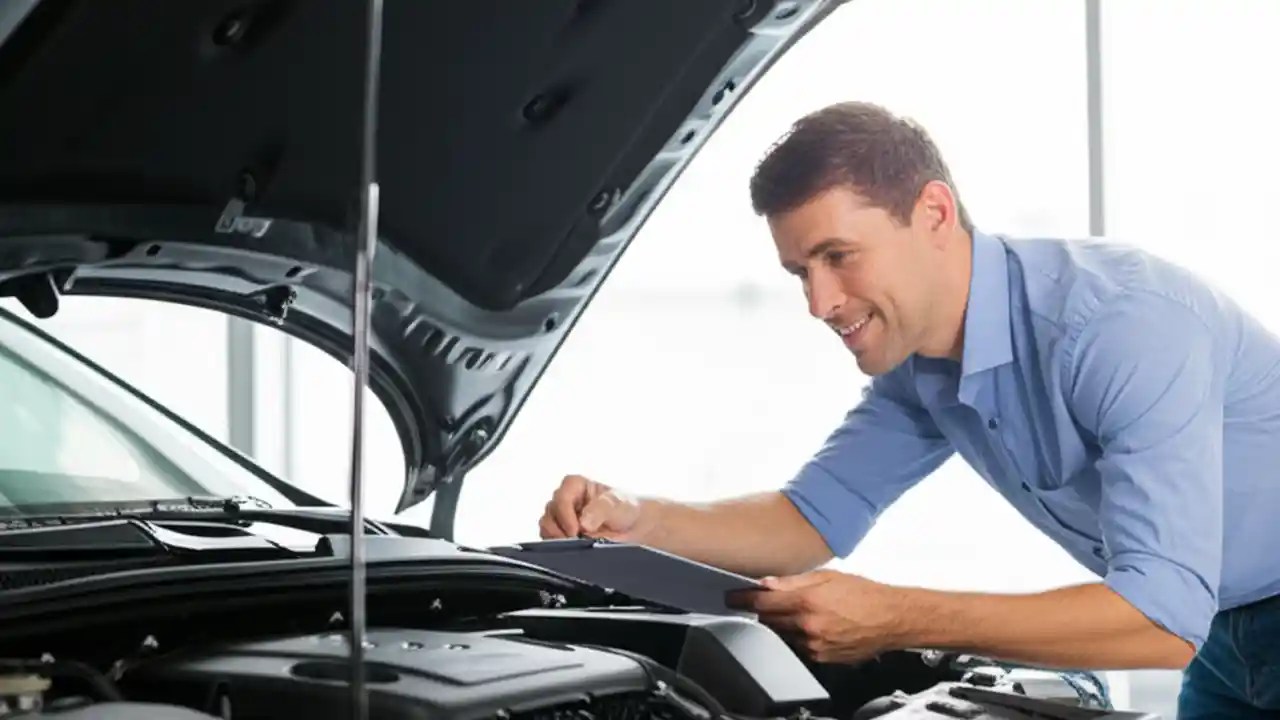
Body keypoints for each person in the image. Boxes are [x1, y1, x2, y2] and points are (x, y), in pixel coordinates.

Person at [536, 101, 1280, 717]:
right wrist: (639, 521)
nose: (819, 303)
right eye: (800, 272)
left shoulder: (1119, 327)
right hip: (1223, 636)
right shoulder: (921, 361)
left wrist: (895, 616)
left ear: (933, 212)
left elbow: (1158, 620)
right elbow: (810, 518)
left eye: (838, 256)